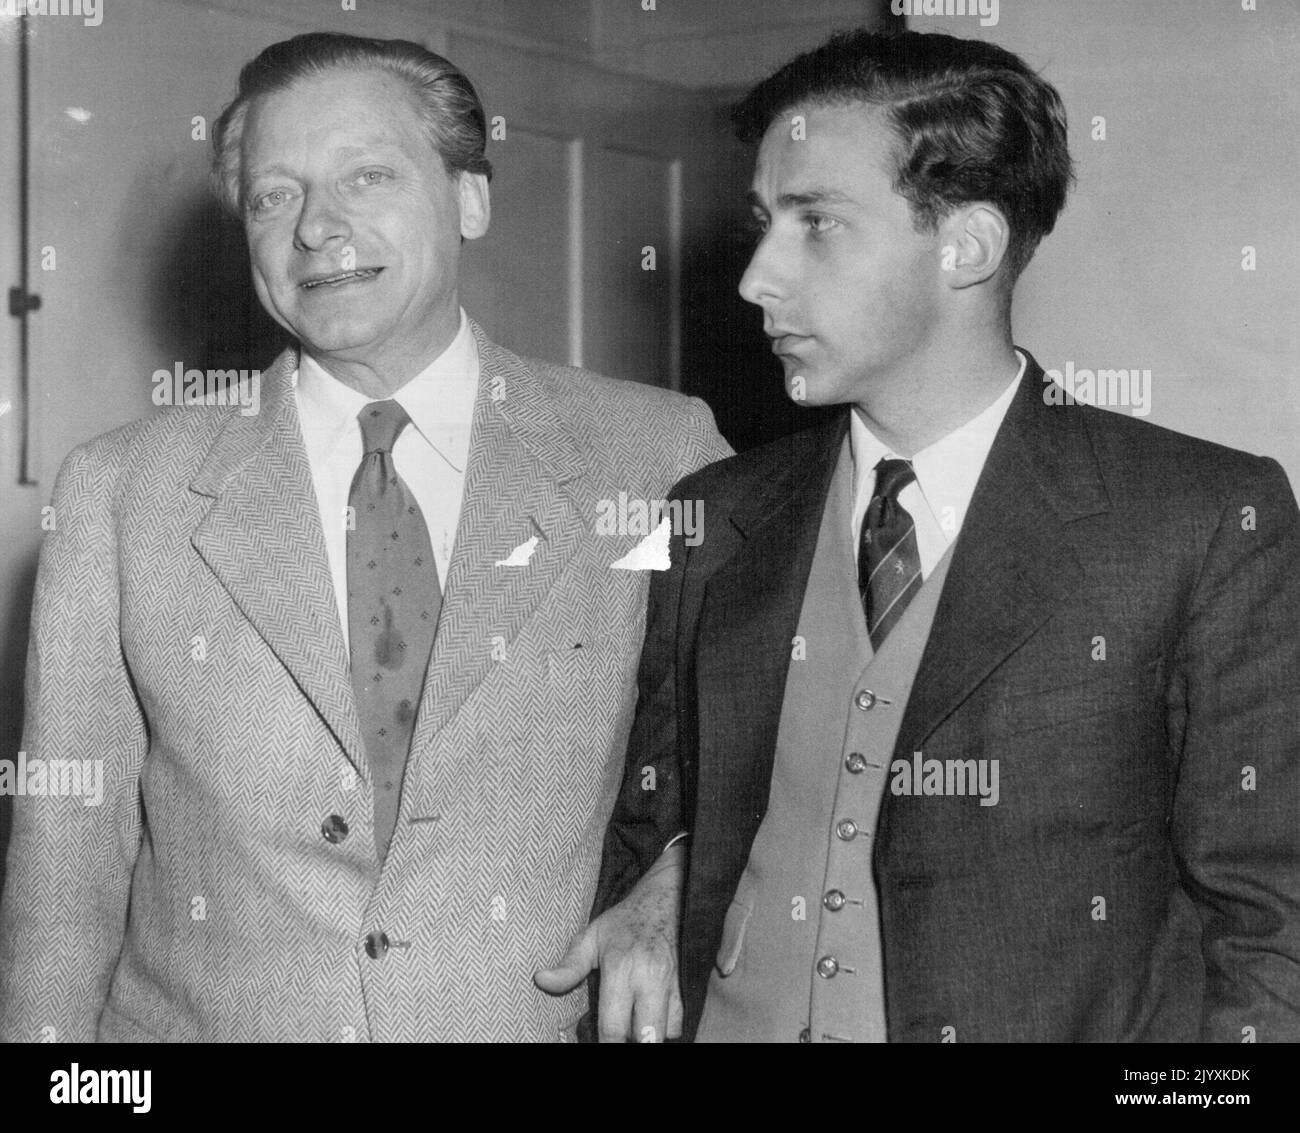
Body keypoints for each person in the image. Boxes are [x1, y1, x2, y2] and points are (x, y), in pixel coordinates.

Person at [547, 28, 1300, 1042]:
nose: (756, 278)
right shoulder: (717, 514)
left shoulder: (1203, 519)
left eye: (816, 223)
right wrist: (659, 875)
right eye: (764, 223)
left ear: (969, 245)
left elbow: (1271, 924)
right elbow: (660, 806)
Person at [0, 31, 729, 1042]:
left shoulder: (653, 453)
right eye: (273, 196)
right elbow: (65, 861)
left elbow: (748, 743)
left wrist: (674, 875)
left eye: (368, 176)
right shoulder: (123, 490)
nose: (317, 229)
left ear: (470, 198)